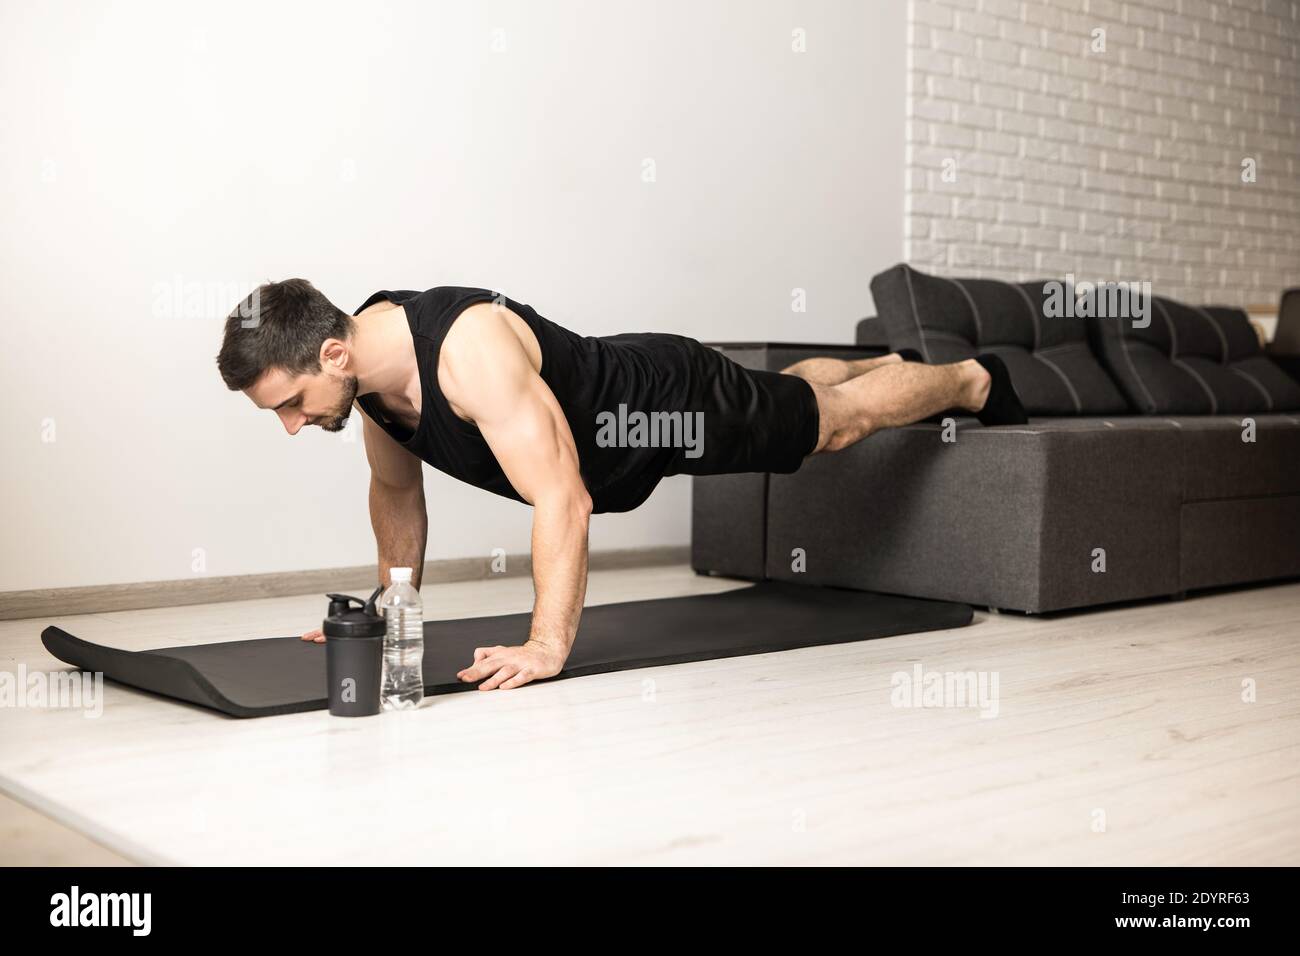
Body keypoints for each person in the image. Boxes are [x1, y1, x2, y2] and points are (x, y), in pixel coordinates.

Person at [216, 279, 1025, 691]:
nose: (291, 425)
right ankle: (885, 368)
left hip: (664, 406)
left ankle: (965, 382)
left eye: (288, 406)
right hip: (616, 422)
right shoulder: (369, 384)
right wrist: (395, 604)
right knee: (803, 402)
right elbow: (396, 495)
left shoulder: (469, 353)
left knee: (832, 427)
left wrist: (546, 644)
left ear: (331, 355)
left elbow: (563, 498)